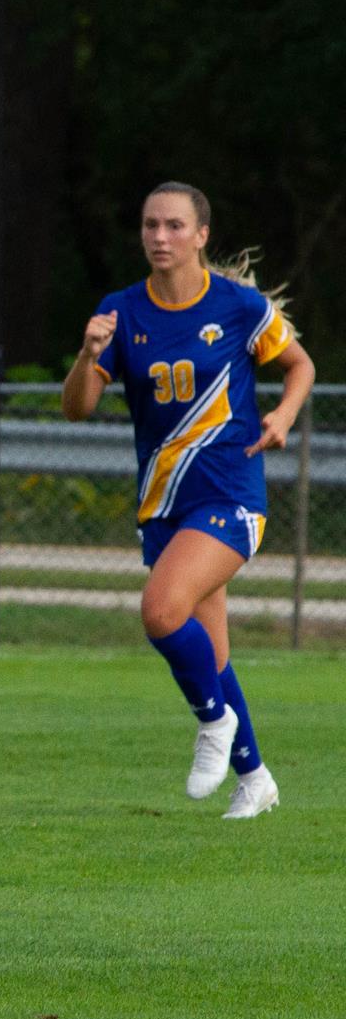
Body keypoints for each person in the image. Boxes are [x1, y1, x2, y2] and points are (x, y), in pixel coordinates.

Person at [61, 182, 316, 819]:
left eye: (175, 226)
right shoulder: (121, 313)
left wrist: (284, 415)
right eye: (150, 225)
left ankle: (212, 725)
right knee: (214, 652)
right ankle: (254, 778)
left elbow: (300, 365)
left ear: (202, 235)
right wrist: (88, 355)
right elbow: (77, 409)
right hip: (163, 506)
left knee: (160, 610)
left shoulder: (238, 307)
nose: (160, 237)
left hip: (232, 495)